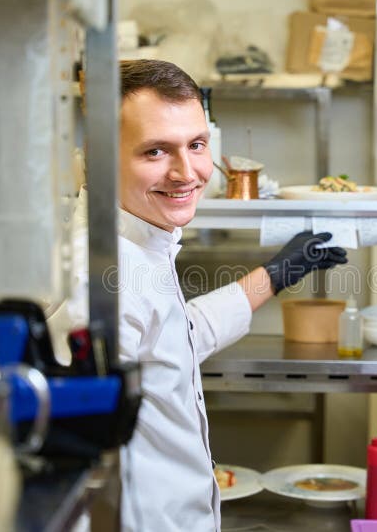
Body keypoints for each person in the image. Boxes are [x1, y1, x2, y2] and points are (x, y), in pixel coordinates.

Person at [91, 59, 347, 531]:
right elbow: (82, 456)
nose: (186, 172)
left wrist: (276, 273)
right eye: (155, 152)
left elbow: (174, 338)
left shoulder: (141, 244)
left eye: (196, 144)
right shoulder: (107, 274)